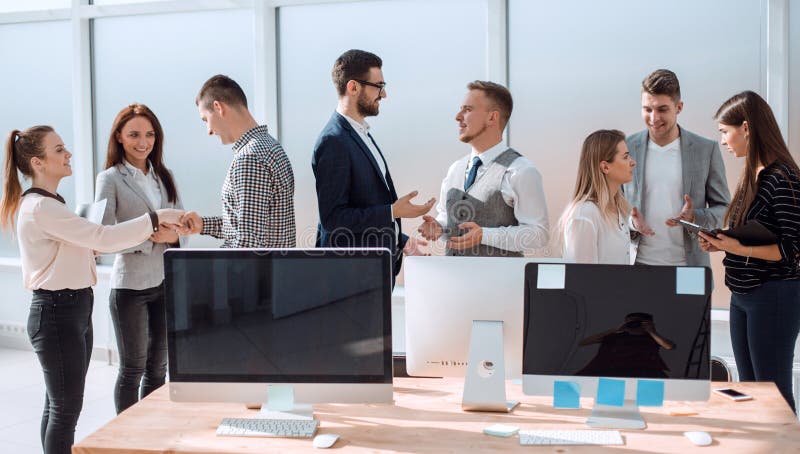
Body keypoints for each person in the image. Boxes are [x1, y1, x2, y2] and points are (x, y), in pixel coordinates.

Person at [0, 126, 184, 454]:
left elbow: (85, 246)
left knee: (59, 406)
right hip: (57, 312)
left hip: (71, 309)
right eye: (59, 150)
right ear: (37, 162)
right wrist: (154, 219)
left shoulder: (50, 204)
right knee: (64, 409)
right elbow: (104, 237)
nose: (68, 154)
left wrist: (90, 245)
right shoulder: (42, 207)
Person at [698, 90, 800, 413]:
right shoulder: (753, 177)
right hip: (743, 295)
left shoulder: (782, 179)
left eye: (724, 132)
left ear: (746, 128)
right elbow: (753, 236)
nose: (723, 141)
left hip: (774, 296)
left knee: (773, 394)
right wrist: (722, 243)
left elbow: (791, 250)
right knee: (749, 392)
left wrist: (737, 247)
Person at [312, 49, 434, 282]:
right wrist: (392, 212)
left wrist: (402, 241)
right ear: (353, 87)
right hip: (349, 280)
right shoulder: (333, 141)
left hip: (371, 275)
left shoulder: (360, 134)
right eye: (378, 86)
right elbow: (334, 219)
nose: (384, 94)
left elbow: (365, 204)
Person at [95, 104, 185, 414]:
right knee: (132, 369)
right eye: (134, 134)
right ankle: (126, 434)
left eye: (149, 135)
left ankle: (151, 429)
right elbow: (102, 235)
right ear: (119, 137)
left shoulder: (165, 176)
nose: (143, 142)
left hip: (164, 282)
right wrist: (147, 235)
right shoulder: (109, 179)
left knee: (158, 368)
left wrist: (172, 236)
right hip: (130, 287)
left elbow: (183, 223)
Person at [417, 81, 549, 256]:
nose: (458, 116)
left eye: (467, 110)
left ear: (492, 118)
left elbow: (539, 234)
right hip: (453, 273)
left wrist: (484, 235)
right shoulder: (455, 169)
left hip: (500, 275)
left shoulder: (521, 170)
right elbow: (445, 217)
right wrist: (439, 228)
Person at [624, 69, 730, 266]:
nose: (654, 118)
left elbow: (725, 210)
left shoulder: (705, 150)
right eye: (647, 109)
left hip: (689, 267)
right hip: (636, 266)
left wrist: (695, 217)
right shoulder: (625, 148)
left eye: (662, 109)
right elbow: (609, 209)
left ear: (679, 107)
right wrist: (631, 223)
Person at [181, 74, 296, 247]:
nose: (209, 130)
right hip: (275, 264)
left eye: (205, 119)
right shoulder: (269, 146)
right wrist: (203, 224)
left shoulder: (250, 158)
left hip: (260, 266)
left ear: (218, 107)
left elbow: (248, 243)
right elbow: (252, 224)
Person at [557, 129, 635, 264]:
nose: (633, 162)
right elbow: (581, 275)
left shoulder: (619, 210)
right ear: (605, 167)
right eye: (625, 157)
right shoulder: (585, 214)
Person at [576, 313, 675, 378]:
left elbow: (669, 346)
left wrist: (652, 331)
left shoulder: (653, 338)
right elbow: (583, 342)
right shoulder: (614, 337)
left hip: (644, 373)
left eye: (637, 321)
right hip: (611, 371)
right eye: (629, 321)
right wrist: (615, 330)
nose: (633, 324)